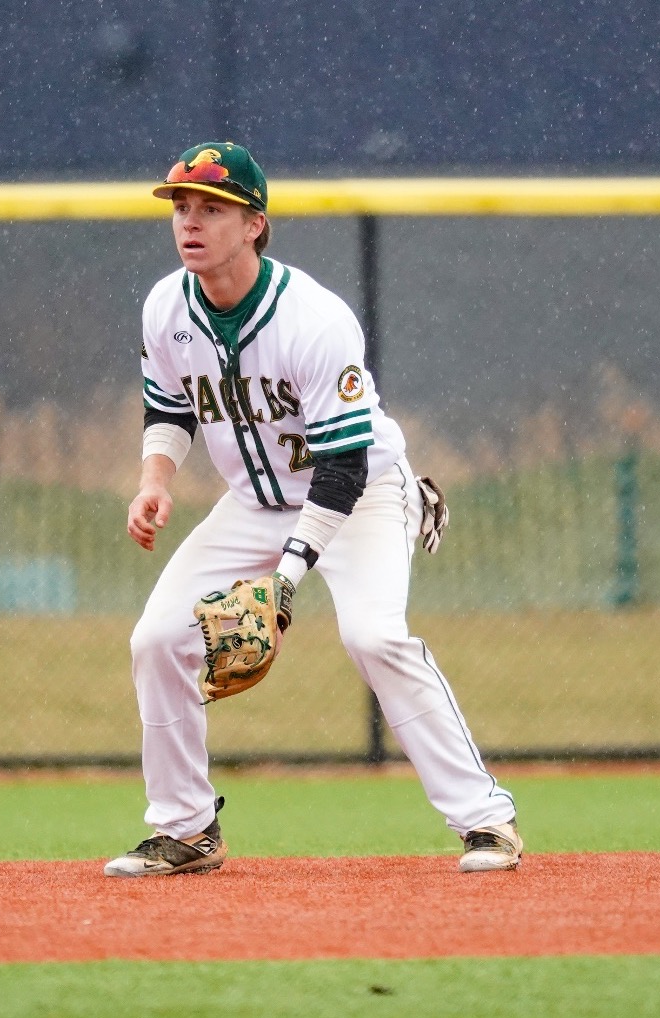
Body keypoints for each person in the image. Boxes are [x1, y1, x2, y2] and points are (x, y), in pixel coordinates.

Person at [105, 142, 520, 878]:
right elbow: (168, 405)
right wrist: (155, 478)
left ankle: (486, 819)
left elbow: (342, 465)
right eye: (181, 206)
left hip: (355, 494)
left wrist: (285, 583)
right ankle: (187, 829)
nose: (189, 222)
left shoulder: (314, 319)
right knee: (155, 639)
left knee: (372, 636)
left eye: (212, 209)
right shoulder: (164, 307)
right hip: (254, 501)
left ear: (254, 225)